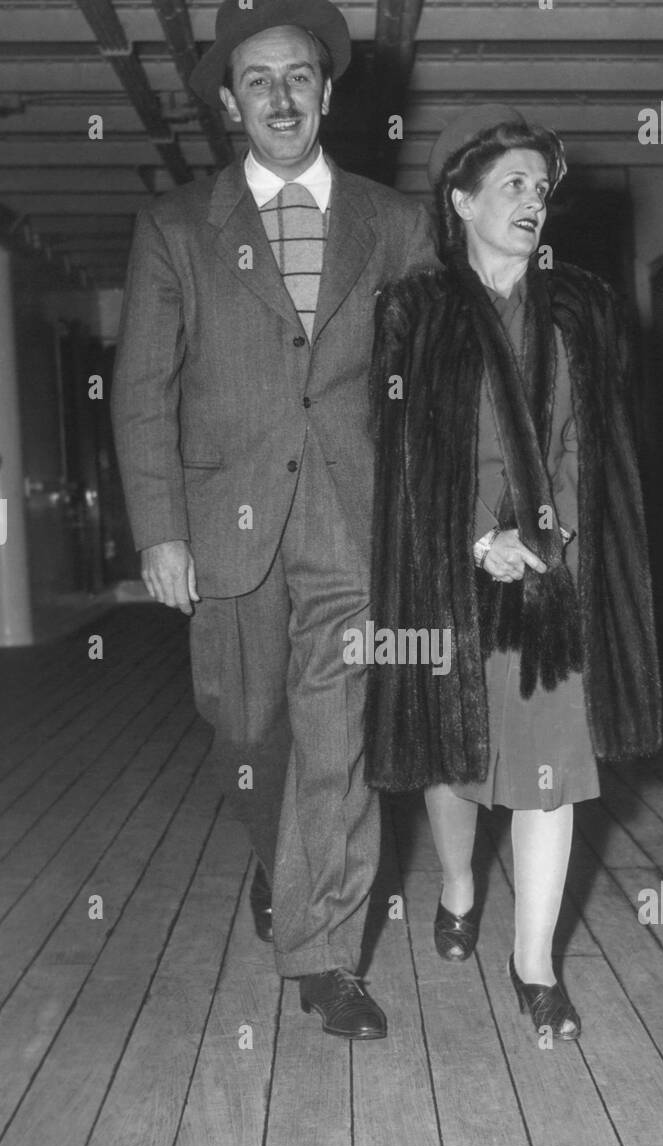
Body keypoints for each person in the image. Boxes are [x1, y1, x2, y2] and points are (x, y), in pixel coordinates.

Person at [111, 0, 436, 1041]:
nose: (282, 97)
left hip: (353, 518)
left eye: (299, 77)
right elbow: (142, 387)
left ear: (328, 93)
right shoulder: (175, 229)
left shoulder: (395, 223)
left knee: (337, 742)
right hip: (226, 528)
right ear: (226, 102)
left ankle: (324, 954)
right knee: (246, 733)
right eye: (258, 81)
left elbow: (429, 382)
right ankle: (277, 862)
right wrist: (161, 532)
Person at [365, 106, 662, 1039]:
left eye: (541, 188)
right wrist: (469, 543)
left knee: (548, 772)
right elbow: (396, 454)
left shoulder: (580, 307)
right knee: (452, 761)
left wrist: (560, 543)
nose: (533, 202)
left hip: (550, 581)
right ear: (460, 200)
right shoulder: (413, 312)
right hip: (449, 577)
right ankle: (457, 883)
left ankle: (532, 962)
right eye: (512, 185)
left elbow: (596, 446)